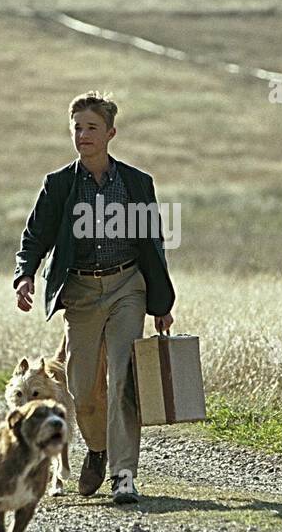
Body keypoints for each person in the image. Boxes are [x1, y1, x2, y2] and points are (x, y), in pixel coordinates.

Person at [13, 91, 176, 504]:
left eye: (91, 128)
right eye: (77, 127)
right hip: (81, 292)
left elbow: (153, 246)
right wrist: (25, 276)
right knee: (82, 388)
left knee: (122, 379)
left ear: (110, 133)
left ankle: (124, 475)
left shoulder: (137, 183)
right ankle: (98, 449)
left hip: (127, 288)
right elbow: (36, 236)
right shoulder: (59, 185)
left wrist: (162, 305)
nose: (83, 135)